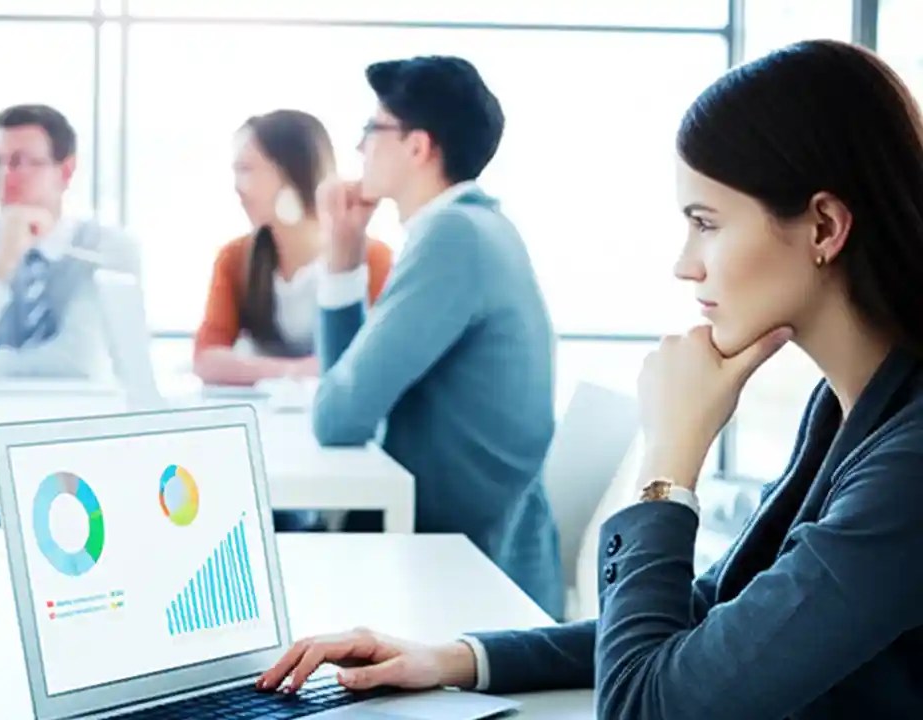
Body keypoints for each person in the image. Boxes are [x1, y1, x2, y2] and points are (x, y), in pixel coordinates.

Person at [260, 40, 923, 719]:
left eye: (705, 223)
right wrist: (458, 657)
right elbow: (717, 618)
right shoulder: (848, 406)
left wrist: (669, 464)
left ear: (824, 226)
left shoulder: (908, 464)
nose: (685, 265)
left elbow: (645, 708)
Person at [307, 56, 562, 616]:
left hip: (460, 572)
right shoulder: (479, 224)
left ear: (418, 147)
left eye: (372, 130)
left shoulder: (451, 236)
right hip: (469, 548)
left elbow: (337, 417)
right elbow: (346, 403)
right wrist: (345, 258)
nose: (359, 149)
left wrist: (337, 263)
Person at [0, 104, 141, 379]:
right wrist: (0, 263)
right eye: (0, 162)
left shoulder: (108, 249)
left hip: (74, 413)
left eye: (21, 162)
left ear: (66, 171)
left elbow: (80, 360)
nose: (6, 176)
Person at [194, 109, 393, 386]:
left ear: (290, 172)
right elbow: (207, 359)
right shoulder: (235, 258)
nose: (237, 188)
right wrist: (301, 370)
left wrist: (251, 367)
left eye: (246, 170)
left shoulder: (371, 259)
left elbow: (376, 360)